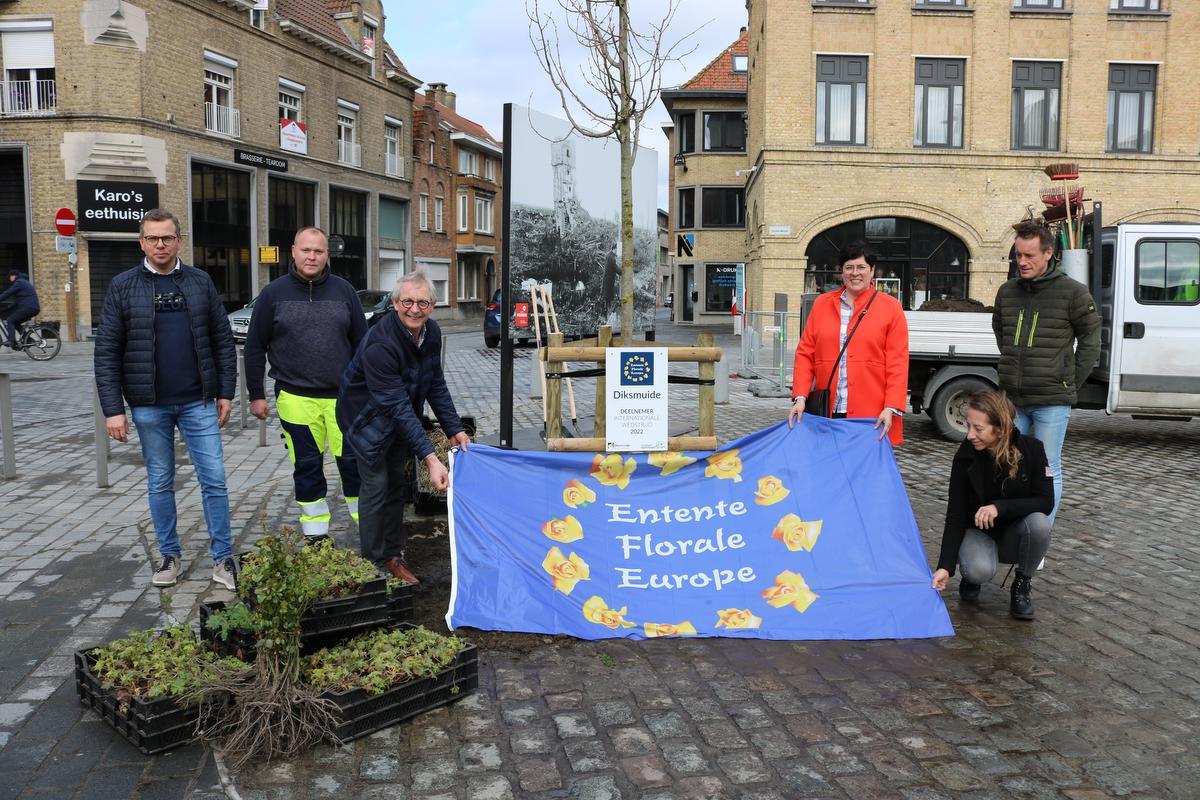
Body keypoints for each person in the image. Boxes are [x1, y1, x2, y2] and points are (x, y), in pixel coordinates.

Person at [94, 209, 238, 590]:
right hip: (148, 404)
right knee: (160, 480)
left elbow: (222, 340)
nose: (160, 244)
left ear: (179, 240)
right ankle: (169, 555)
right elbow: (107, 350)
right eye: (153, 238)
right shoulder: (123, 286)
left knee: (215, 480)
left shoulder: (200, 281)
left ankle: (223, 558)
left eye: (167, 237)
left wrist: (226, 391)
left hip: (199, 402)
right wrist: (113, 410)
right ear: (141, 242)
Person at [337, 272, 469, 584]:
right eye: (407, 301)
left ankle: (394, 555)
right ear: (395, 303)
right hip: (365, 421)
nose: (414, 308)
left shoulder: (431, 333)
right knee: (376, 487)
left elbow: (434, 381)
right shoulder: (382, 343)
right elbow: (394, 404)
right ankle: (373, 564)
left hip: (397, 416)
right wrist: (431, 457)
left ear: (432, 307)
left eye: (422, 302)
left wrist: (454, 428)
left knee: (397, 483)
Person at [244, 227, 367, 538]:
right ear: (293, 251)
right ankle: (315, 535)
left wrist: (367, 391)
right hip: (295, 397)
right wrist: (256, 394)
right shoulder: (273, 294)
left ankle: (369, 529)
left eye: (319, 251)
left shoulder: (345, 292)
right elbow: (255, 346)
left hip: (344, 399)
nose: (312, 256)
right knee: (308, 466)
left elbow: (363, 345)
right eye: (306, 250)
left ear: (327, 254)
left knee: (353, 463)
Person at [993, 221, 1100, 527]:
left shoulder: (1074, 293)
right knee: (1010, 462)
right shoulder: (1007, 291)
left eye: (1029, 256)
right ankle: (1014, 527)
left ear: (1048, 253)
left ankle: (1037, 537)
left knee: (1046, 466)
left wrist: (1070, 382)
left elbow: (1091, 341)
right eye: (1018, 255)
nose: (1022, 262)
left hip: (1051, 400)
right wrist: (1013, 363)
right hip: (1012, 399)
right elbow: (1001, 329)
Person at [931, 390, 1052, 619]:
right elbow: (954, 515)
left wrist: (999, 507)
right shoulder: (965, 455)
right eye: (968, 426)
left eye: (978, 429)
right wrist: (945, 566)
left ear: (1000, 430)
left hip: (1014, 535)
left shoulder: (1033, 449)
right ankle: (970, 575)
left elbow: (1045, 501)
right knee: (978, 571)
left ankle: (1022, 584)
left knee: (1040, 523)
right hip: (977, 533)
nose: (969, 435)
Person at [787, 241, 909, 444]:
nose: (855, 273)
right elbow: (805, 354)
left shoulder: (891, 308)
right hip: (828, 411)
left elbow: (898, 362)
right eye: (849, 267)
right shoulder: (821, 305)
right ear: (841, 271)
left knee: (864, 473)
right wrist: (800, 396)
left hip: (871, 413)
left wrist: (891, 407)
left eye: (861, 267)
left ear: (872, 270)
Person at [0, 269, 40, 350]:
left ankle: (11, 341)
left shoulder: (19, 282)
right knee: (16, 322)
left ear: (13, 276)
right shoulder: (23, 282)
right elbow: (17, 302)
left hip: (28, 307)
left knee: (10, 320)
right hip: (32, 307)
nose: (9, 279)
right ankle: (28, 339)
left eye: (10, 277)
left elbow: (7, 293)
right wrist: (6, 308)